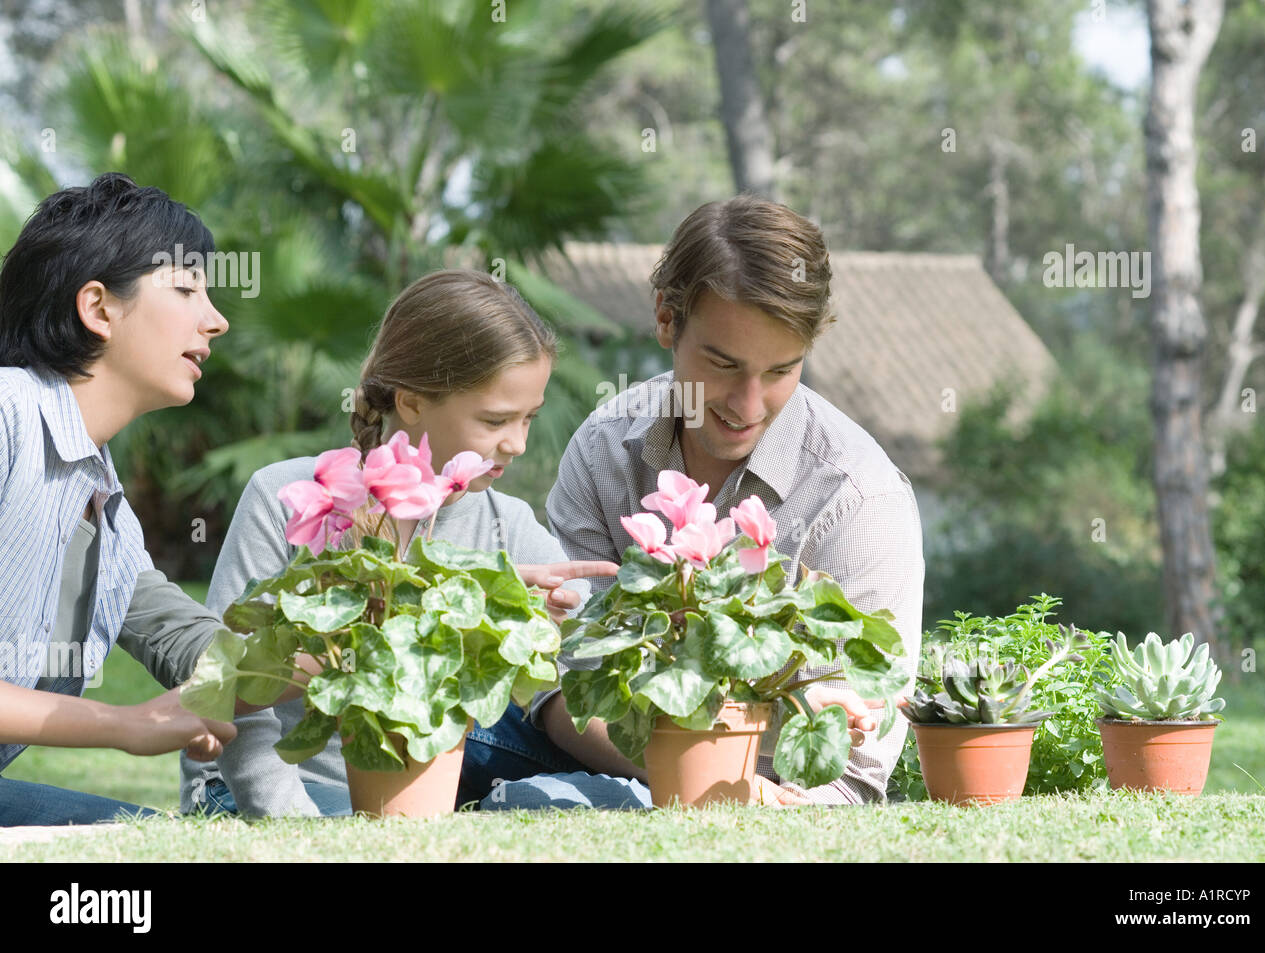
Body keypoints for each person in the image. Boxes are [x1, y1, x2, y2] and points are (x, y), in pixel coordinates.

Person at [513, 194, 925, 807]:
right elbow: (560, 688)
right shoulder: (605, 448)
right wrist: (695, 776)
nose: (747, 405)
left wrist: (715, 786)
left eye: (782, 370)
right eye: (723, 363)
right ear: (665, 318)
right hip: (594, 765)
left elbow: (851, 779)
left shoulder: (857, 495)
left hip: (777, 804)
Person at [179, 270, 630, 817]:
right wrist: (289, 825)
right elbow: (230, 691)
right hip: (272, 788)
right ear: (412, 403)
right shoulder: (291, 495)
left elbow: (568, 686)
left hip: (427, 789)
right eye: (495, 420)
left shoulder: (504, 521)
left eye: (529, 417)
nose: (517, 443)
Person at [0, 173, 238, 826]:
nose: (215, 318)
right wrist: (120, 723)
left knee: (152, 840)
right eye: (187, 287)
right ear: (99, 307)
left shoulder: (99, 498)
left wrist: (390, 608)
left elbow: (192, 643)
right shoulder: (7, 415)